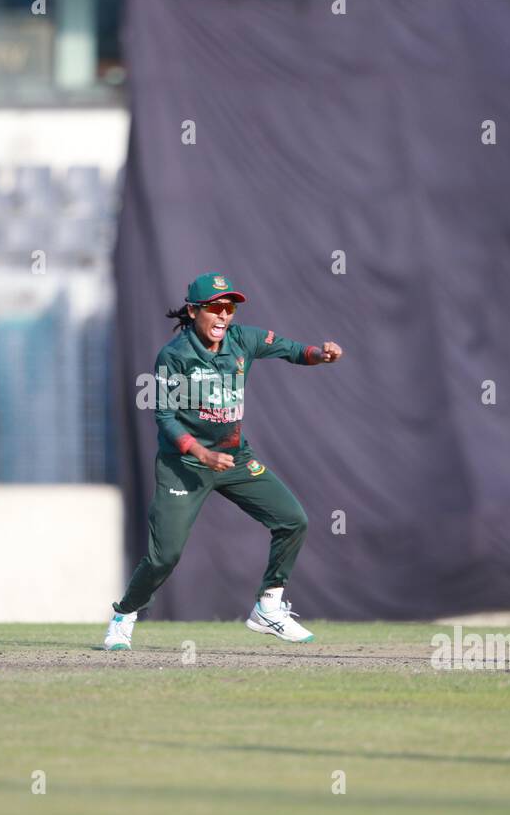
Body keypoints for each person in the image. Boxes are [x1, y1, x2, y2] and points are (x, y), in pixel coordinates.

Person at [104, 272, 342, 651]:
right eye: (215, 308)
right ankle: (124, 616)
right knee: (165, 556)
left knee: (292, 520)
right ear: (194, 310)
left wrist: (321, 355)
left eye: (229, 308)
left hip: (234, 458)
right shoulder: (175, 356)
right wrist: (201, 453)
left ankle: (268, 607)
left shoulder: (241, 340)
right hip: (185, 465)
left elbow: (291, 350)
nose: (223, 316)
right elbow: (164, 417)